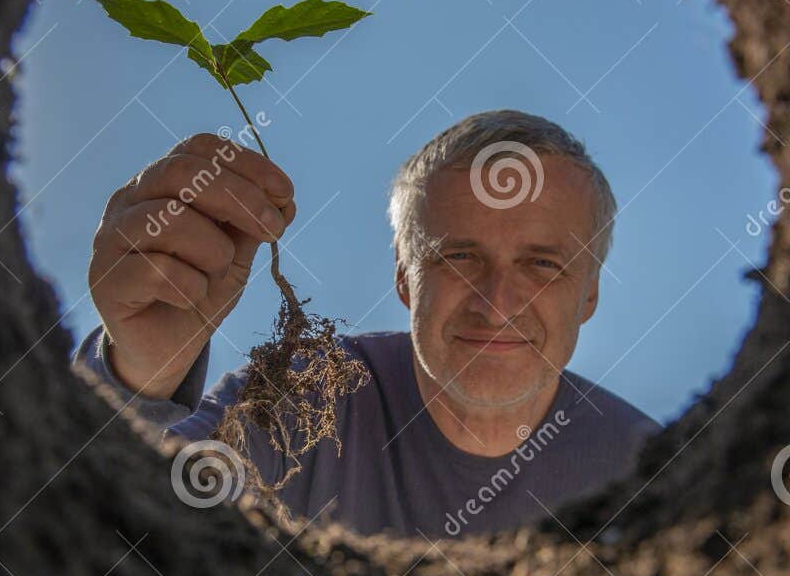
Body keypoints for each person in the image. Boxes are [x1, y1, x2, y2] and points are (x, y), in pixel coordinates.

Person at [74, 109, 660, 537]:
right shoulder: (309, 399)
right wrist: (138, 376)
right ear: (406, 279)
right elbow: (112, 536)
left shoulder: (649, 472)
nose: (498, 301)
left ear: (589, 295)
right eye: (458, 257)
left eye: (541, 264)